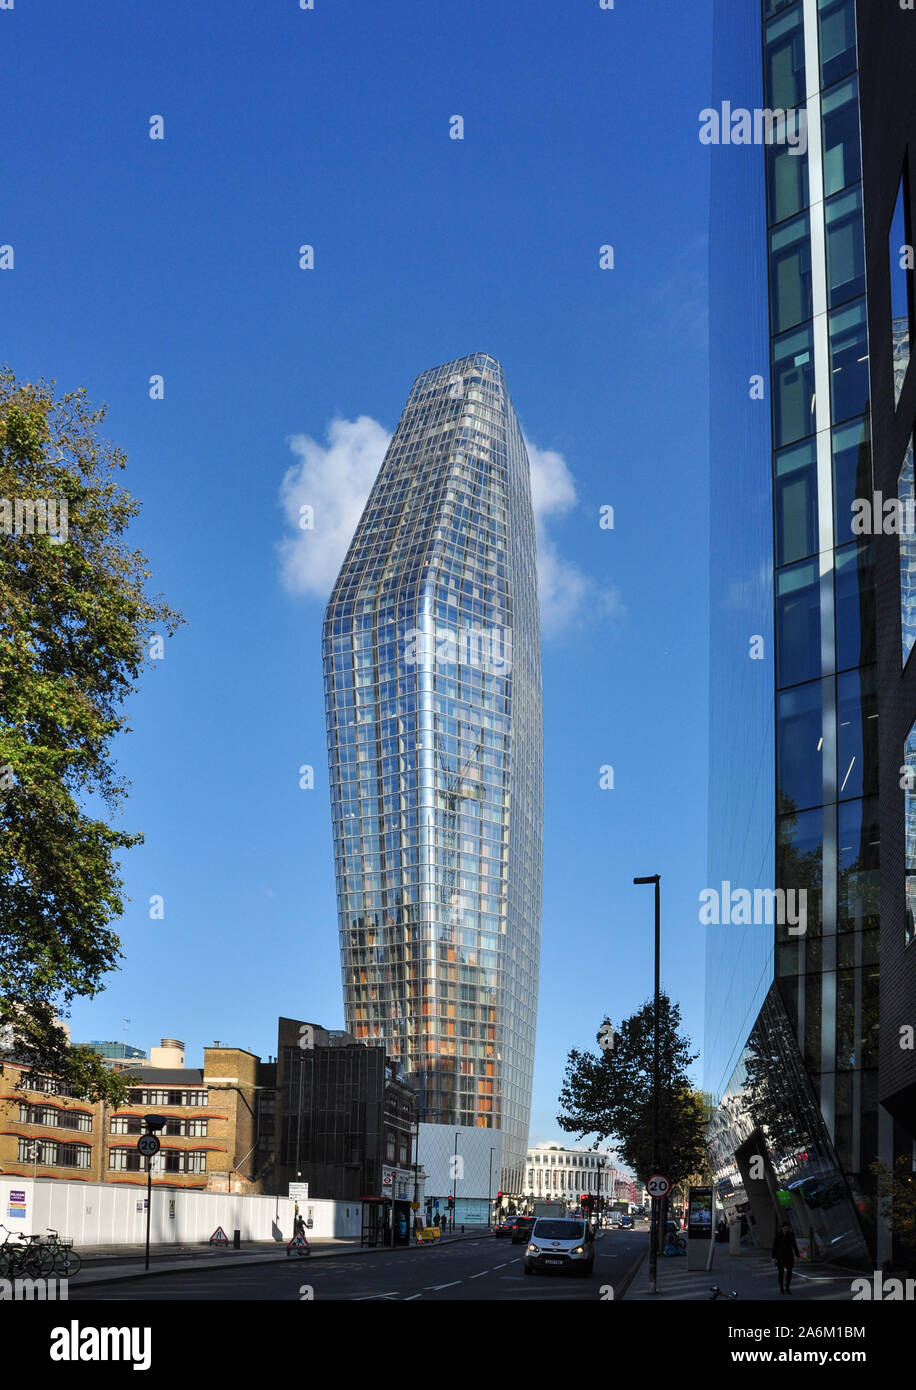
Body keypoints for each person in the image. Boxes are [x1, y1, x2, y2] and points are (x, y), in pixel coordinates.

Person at [772, 1221, 800, 1294]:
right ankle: (781, 1287)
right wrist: (773, 1257)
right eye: (785, 1228)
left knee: (789, 1272)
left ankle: (787, 1287)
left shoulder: (791, 1234)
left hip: (789, 1256)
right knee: (781, 1273)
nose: (786, 1229)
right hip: (780, 1256)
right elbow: (774, 1246)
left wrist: (797, 1255)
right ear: (782, 1228)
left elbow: (794, 1245)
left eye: (787, 1228)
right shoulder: (778, 1234)